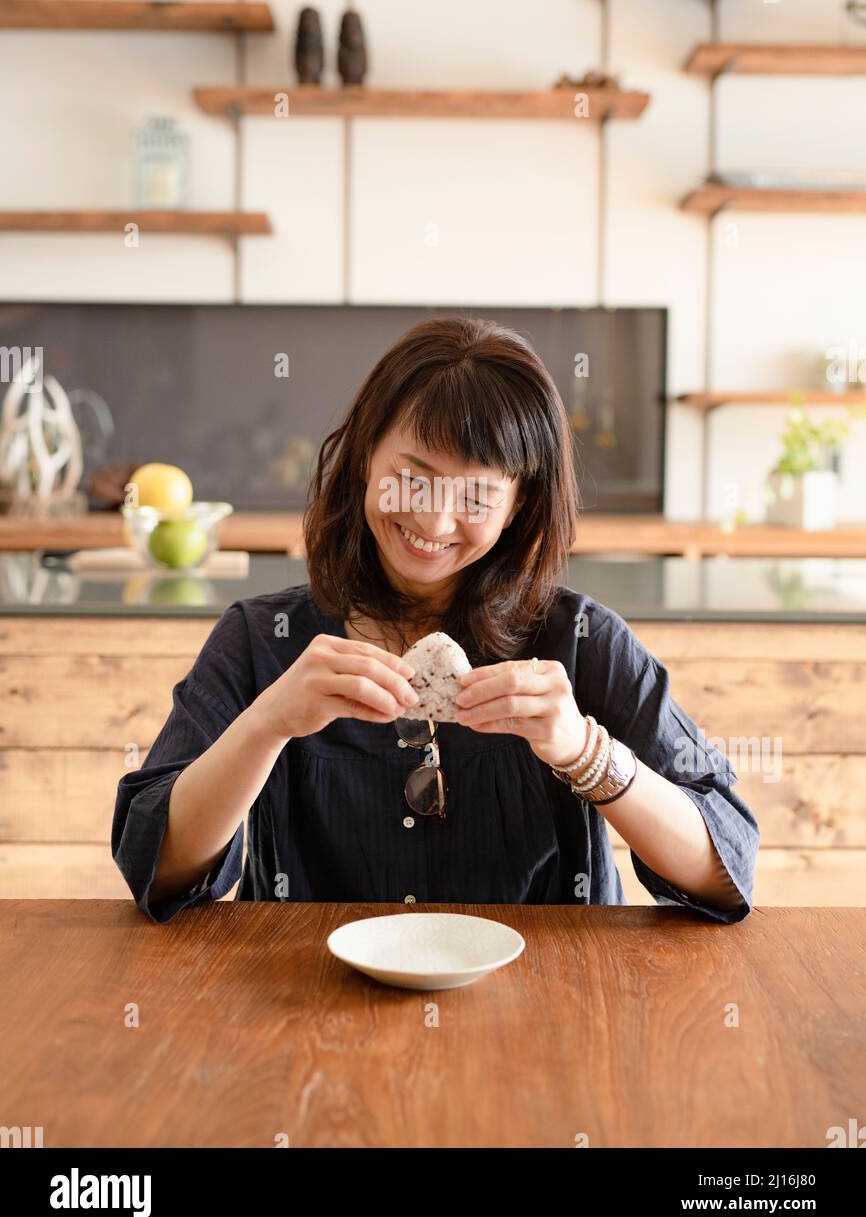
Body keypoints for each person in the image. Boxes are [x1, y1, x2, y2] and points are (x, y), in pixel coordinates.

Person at [112, 316, 758, 924]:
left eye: (476, 495)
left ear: (518, 505)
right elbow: (158, 871)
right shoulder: (263, 639)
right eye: (411, 478)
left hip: (544, 1007)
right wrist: (267, 723)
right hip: (310, 1001)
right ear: (365, 456)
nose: (433, 521)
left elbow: (724, 870)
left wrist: (583, 752)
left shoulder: (581, 642)